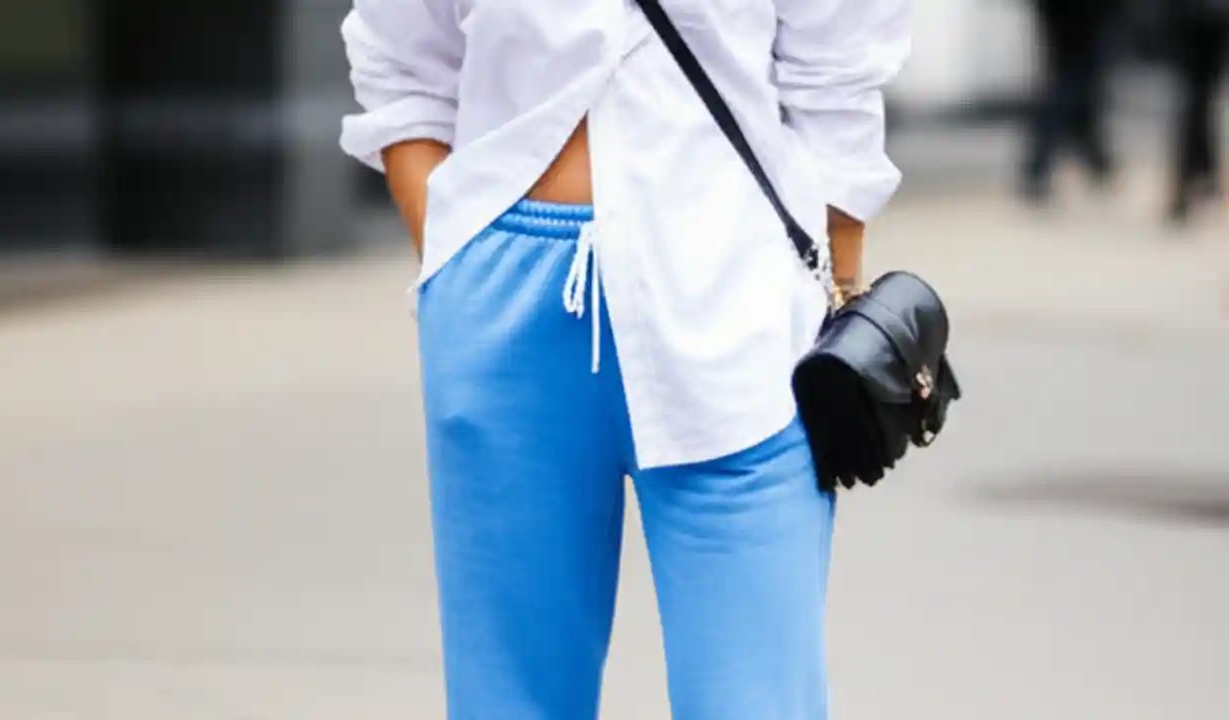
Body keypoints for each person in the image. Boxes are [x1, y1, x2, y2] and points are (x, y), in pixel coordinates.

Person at [340, 0, 908, 717]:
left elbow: (837, 76)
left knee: (757, 697)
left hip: (736, 308)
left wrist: (835, 309)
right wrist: (455, 259)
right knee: (508, 701)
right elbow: (402, 66)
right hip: (503, 312)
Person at [1022, 0, 1120, 202]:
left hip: (1072, 14)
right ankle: (1041, 165)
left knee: (1077, 82)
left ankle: (1095, 156)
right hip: (1080, 14)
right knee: (1071, 82)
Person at [1169, 0, 1229, 222]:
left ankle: (1200, 173)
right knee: (1199, 99)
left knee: (1198, 99)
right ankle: (1200, 174)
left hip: (1202, 16)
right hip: (1203, 17)